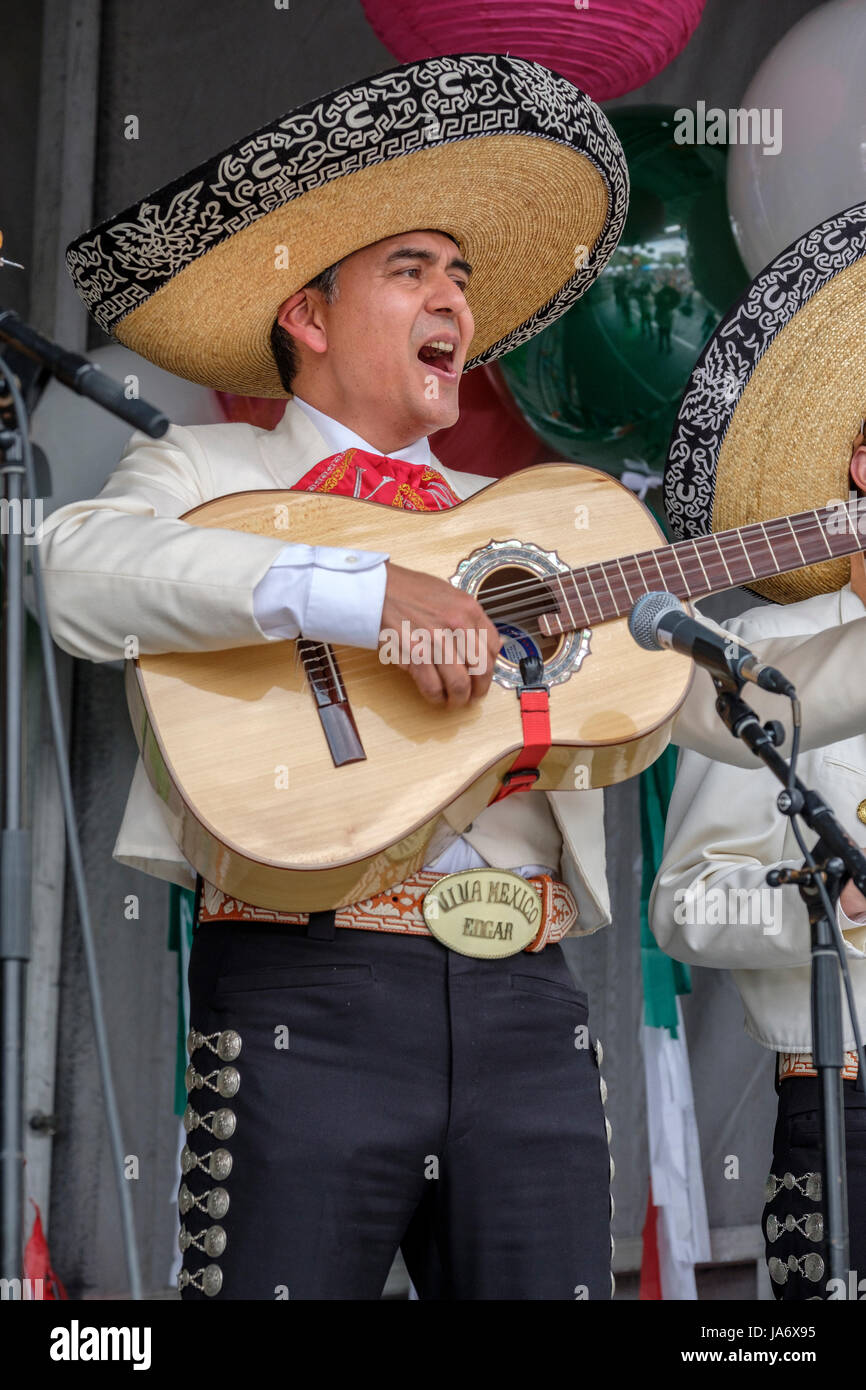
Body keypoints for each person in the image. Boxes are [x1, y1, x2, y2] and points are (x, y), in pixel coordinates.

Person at [41, 60, 866, 1300]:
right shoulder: (210, 468)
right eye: (410, 270)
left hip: (531, 1007)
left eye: (463, 278)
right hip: (304, 986)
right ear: (307, 317)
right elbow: (81, 573)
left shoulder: (549, 518)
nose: (454, 302)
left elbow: (719, 695)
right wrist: (362, 598)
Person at [652, 203, 866, 1301]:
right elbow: (684, 906)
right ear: (859, 464)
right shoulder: (764, 651)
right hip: (843, 1104)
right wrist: (828, 906)